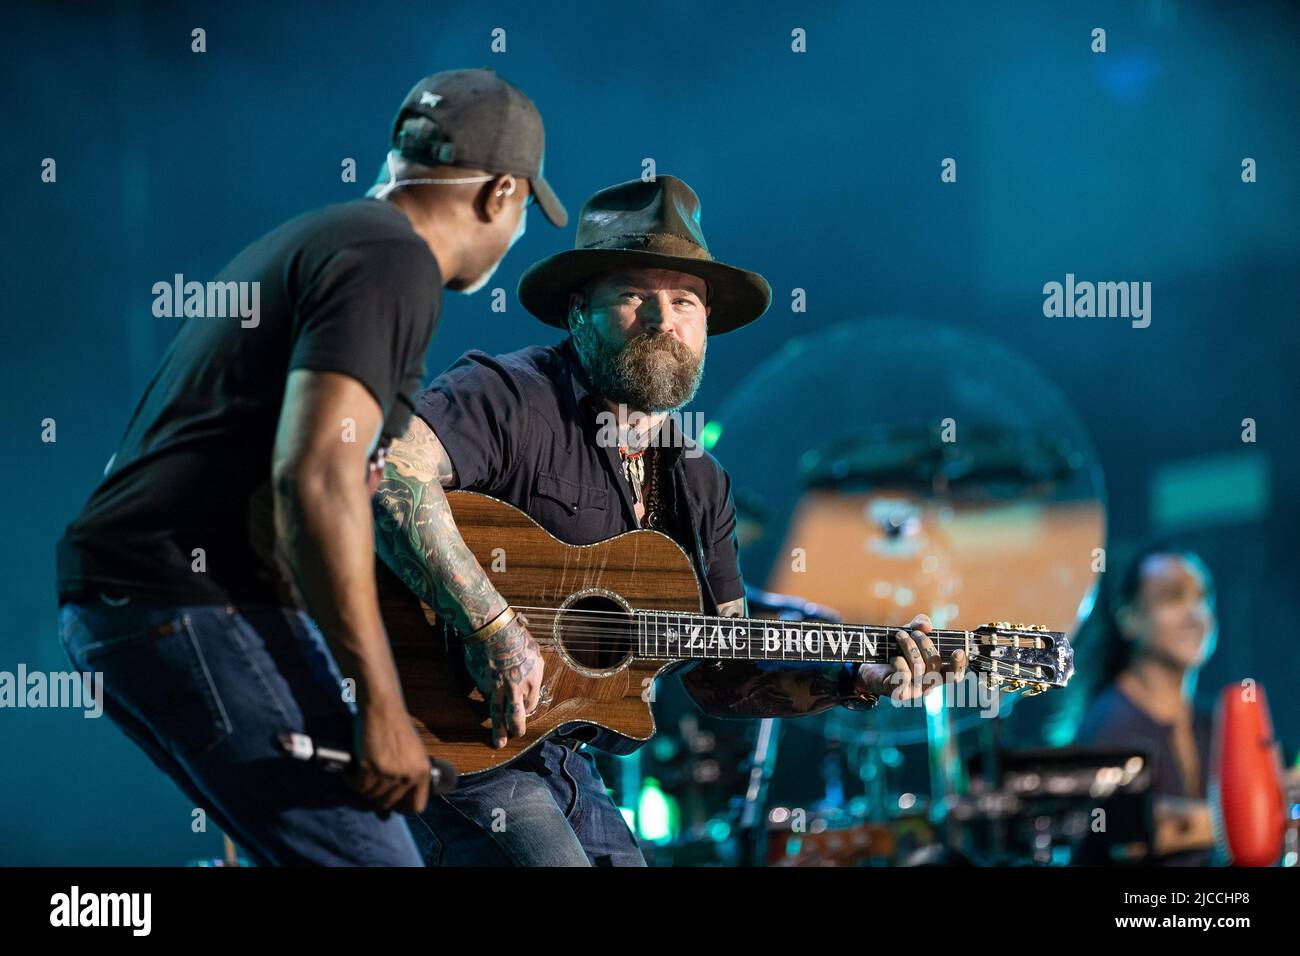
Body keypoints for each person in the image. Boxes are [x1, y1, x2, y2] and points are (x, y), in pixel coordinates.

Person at [372, 176, 967, 865]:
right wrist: (491, 625)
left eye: (684, 301)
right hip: (446, 738)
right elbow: (390, 472)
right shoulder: (508, 395)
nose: (663, 319)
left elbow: (725, 670)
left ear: (706, 324)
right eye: (633, 296)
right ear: (577, 312)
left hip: (561, 757)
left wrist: (856, 680)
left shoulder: (697, 480)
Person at [55, 68, 567, 865]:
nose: (518, 230)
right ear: (501, 192)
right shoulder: (391, 260)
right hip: (189, 600)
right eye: (528, 211)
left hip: (120, 605)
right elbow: (317, 479)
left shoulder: (324, 238)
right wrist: (383, 709)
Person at [1074, 544, 1219, 864]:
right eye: (1172, 598)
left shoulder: (1213, 724)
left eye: (1203, 597)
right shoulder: (1110, 723)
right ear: (1129, 620)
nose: (1195, 614)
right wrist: (1244, 817)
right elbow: (1130, 838)